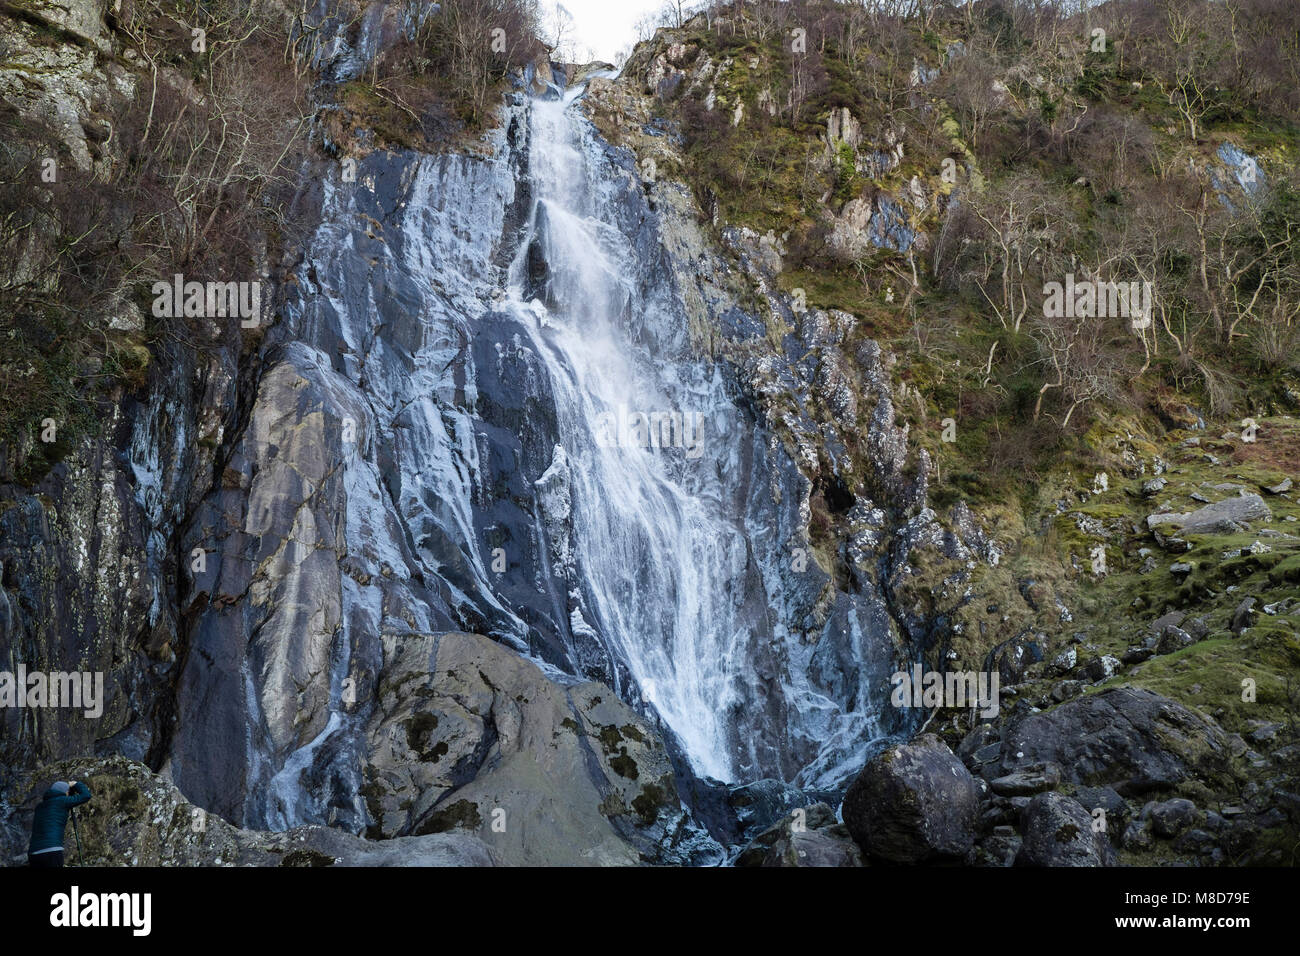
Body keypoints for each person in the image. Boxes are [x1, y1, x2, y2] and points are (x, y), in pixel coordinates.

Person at [28, 780, 92, 867]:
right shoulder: (63, 801)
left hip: (33, 853)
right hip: (51, 851)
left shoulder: (39, 807)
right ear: (65, 792)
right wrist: (76, 784)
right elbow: (86, 795)